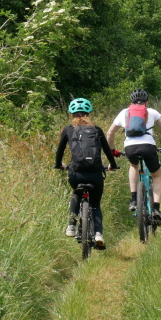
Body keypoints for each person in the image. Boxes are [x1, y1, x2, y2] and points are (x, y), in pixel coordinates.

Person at [106, 89, 161, 224]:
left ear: (131, 102)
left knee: (133, 165)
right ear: (147, 102)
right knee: (156, 176)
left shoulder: (124, 113)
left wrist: (113, 150)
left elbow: (110, 133)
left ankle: (134, 199)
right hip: (148, 147)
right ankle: (156, 209)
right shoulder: (152, 112)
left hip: (130, 148)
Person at [54, 97, 118, 249]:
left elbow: (59, 152)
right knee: (95, 205)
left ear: (71, 114)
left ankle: (70, 226)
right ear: (89, 113)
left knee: (76, 194)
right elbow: (108, 151)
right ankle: (98, 234)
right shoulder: (96, 129)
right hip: (95, 174)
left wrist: (59, 165)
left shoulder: (68, 130)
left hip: (76, 173)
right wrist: (113, 165)